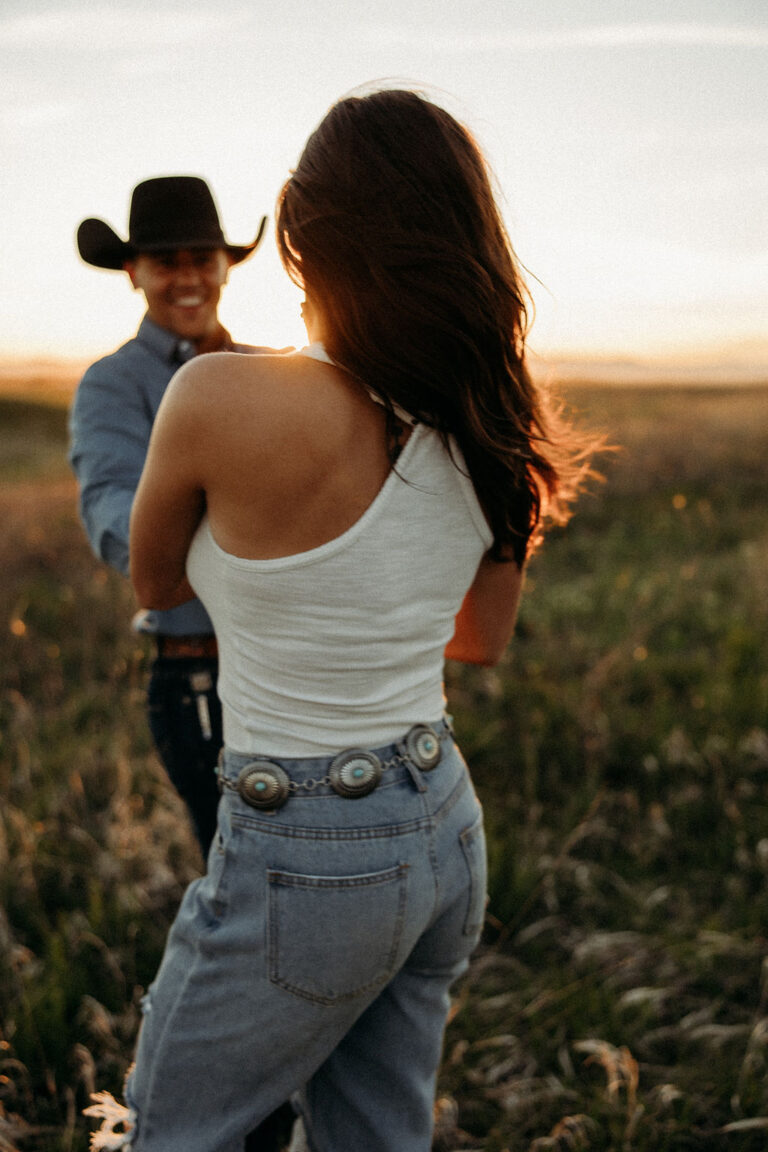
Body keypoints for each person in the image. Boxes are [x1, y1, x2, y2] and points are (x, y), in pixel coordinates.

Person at [87, 88, 595, 1152]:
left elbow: (153, 582)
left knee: (171, 1132)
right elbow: (479, 641)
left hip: (306, 838)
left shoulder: (213, 397)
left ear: (303, 240)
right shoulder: (494, 413)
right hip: (442, 816)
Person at [69, 176, 295, 1152]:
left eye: (204, 257)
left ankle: (287, 1099)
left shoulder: (274, 373)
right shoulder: (114, 387)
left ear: (226, 267)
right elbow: (118, 526)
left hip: (291, 668)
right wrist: (256, 538)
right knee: (247, 894)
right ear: (134, 272)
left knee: (297, 887)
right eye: (167, 261)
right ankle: (245, 1117)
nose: (189, 276)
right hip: (198, 672)